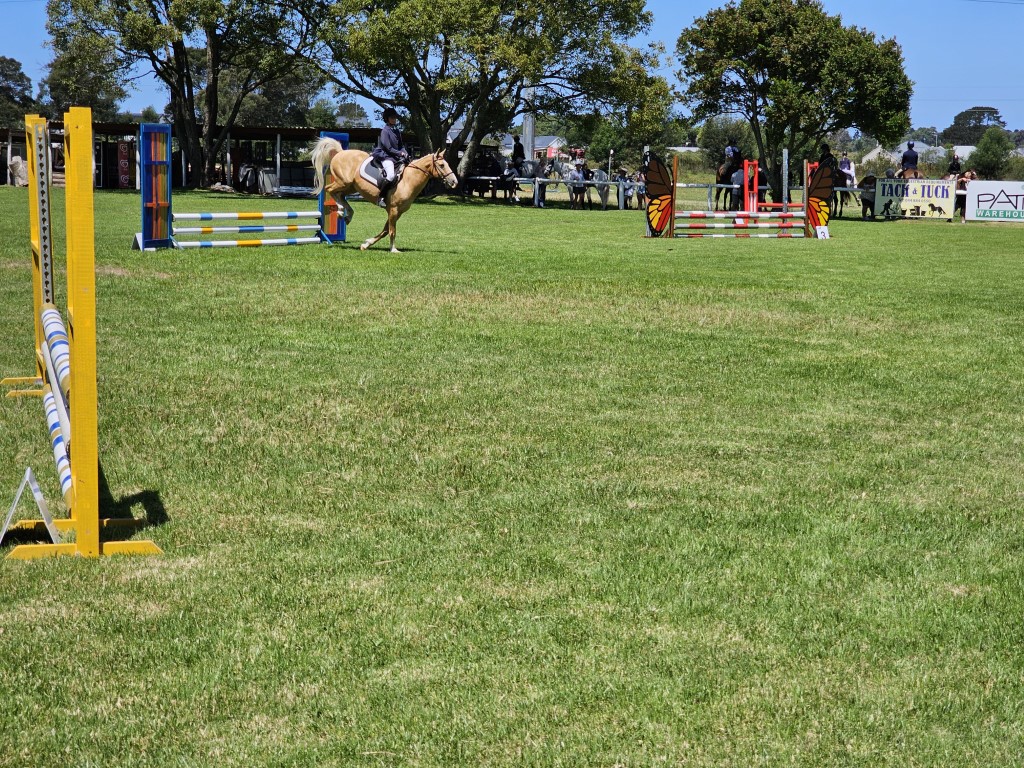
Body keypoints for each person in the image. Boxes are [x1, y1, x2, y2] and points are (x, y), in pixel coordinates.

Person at [372, 107, 408, 208]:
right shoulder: (385, 131)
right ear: (387, 119)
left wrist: (405, 153)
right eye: (392, 118)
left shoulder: (397, 131)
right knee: (391, 175)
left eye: (395, 117)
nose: (394, 119)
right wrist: (400, 154)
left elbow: (401, 146)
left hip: (395, 156)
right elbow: (388, 148)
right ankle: (380, 197)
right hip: (386, 156)